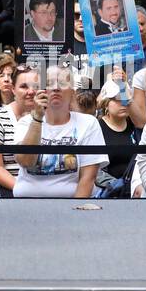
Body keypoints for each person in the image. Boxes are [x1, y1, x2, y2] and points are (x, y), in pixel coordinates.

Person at [13, 64, 107, 198]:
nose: (56, 88)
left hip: (71, 206)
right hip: (26, 204)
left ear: (73, 93)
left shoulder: (88, 123)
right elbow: (25, 161)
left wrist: (75, 213)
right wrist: (37, 119)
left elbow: (87, 178)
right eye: (50, 83)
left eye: (62, 83)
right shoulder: (26, 123)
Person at [0, 65, 39, 196]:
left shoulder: (51, 118)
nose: (31, 91)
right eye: (24, 86)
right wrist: (22, 190)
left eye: (35, 86)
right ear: (13, 89)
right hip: (11, 191)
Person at [96, 78, 141, 189]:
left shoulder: (135, 125)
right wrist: (117, 186)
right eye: (117, 99)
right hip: (109, 191)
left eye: (126, 99)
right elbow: (93, 168)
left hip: (136, 188)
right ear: (106, 104)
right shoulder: (96, 127)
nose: (123, 103)